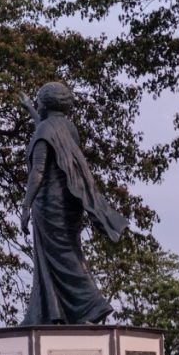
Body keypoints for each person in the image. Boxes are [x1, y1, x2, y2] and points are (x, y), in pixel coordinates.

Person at [19, 82, 127, 325]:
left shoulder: (46, 129)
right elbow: (46, 131)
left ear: (45, 103)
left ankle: (92, 305)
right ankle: (55, 313)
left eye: (37, 101)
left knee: (63, 256)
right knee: (64, 253)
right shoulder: (68, 128)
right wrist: (30, 111)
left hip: (50, 204)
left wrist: (26, 206)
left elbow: (38, 170)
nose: (36, 103)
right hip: (69, 202)